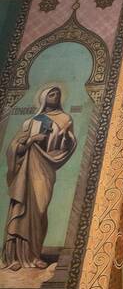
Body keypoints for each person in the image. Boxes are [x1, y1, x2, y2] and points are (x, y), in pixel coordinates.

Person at [2, 85, 76, 271]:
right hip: (27, 170)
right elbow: (13, 149)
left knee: (40, 209)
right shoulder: (30, 122)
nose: (56, 95)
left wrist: (67, 139)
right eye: (52, 93)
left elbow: (67, 146)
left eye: (58, 93)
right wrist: (30, 141)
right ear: (43, 97)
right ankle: (15, 257)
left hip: (46, 168)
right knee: (22, 206)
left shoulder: (65, 119)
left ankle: (34, 255)